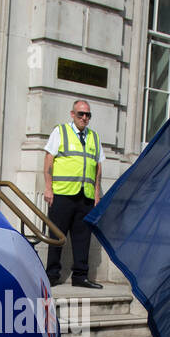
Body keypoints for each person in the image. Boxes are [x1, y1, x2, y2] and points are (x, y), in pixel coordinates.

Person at [43, 100, 103, 289]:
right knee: (56, 236)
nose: (84, 118)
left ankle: (80, 276)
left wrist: (96, 193)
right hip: (62, 194)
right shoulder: (60, 132)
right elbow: (49, 159)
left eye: (87, 115)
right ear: (72, 114)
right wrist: (48, 187)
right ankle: (52, 274)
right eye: (80, 114)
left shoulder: (94, 136)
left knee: (83, 238)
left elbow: (98, 166)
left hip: (85, 196)